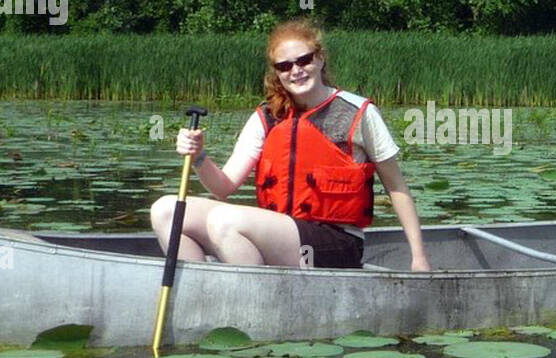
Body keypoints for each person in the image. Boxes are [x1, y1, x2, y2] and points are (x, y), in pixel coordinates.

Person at [150, 19, 431, 270]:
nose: (296, 71)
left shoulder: (358, 113)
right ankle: (202, 298)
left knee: (225, 222)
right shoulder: (268, 116)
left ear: (320, 59)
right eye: (284, 66)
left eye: (304, 60)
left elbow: (396, 187)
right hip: (279, 234)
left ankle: (258, 307)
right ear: (277, 73)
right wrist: (199, 156)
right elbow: (223, 187)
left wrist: (419, 258)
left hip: (335, 243)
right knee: (165, 211)